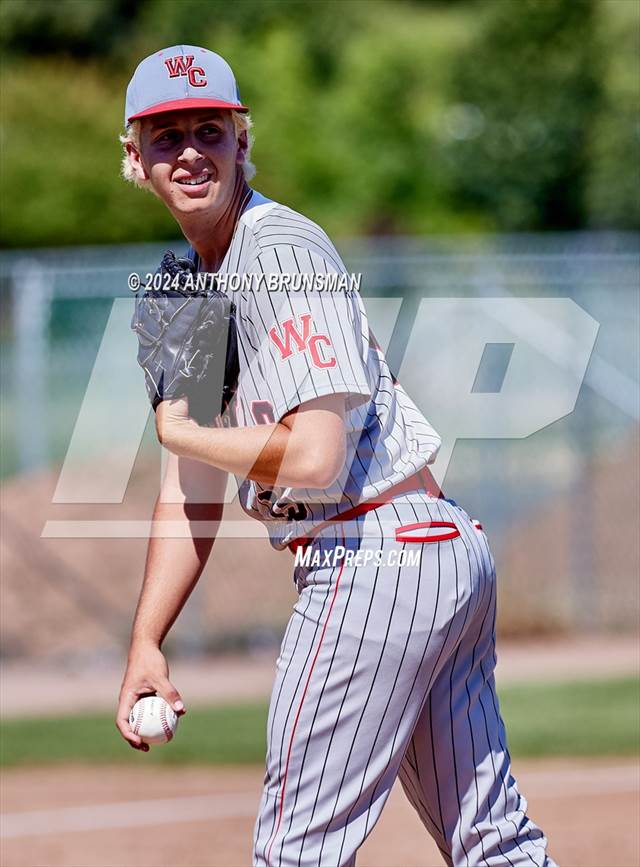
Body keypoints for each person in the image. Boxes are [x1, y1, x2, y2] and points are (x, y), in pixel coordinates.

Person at [116, 45, 556, 867]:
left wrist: (180, 428)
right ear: (134, 158)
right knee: (494, 846)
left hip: (371, 557)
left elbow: (314, 459)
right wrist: (147, 639)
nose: (188, 151)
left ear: (242, 143)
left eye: (209, 130)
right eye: (165, 134)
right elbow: (196, 486)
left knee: (296, 853)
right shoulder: (194, 287)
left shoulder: (278, 253)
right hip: (425, 551)